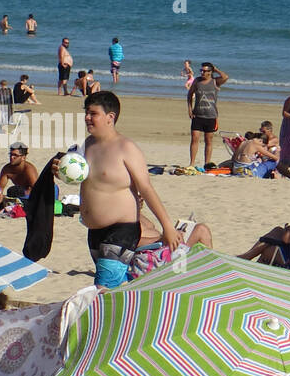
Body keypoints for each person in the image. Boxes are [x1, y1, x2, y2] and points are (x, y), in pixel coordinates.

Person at [79, 90, 179, 287]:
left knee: (102, 288)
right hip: (94, 231)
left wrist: (167, 226)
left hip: (121, 230)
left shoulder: (126, 148)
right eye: (86, 113)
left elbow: (146, 188)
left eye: (93, 113)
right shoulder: (87, 145)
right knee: (115, 287)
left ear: (110, 117)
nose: (87, 118)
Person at [187, 61, 228, 169]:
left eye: (205, 71)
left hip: (211, 116)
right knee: (194, 139)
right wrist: (190, 109)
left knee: (208, 141)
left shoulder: (215, 82)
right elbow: (190, 94)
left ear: (210, 72)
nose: (202, 73)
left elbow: (225, 77)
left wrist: (216, 69)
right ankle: (192, 163)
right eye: (201, 70)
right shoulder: (197, 81)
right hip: (197, 115)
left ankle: (207, 163)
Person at [0, 140, 40, 209]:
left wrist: (20, 194)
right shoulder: (7, 169)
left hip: (29, 197)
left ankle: (9, 204)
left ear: (23, 157)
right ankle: (8, 204)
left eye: (15, 155)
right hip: (15, 197)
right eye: (11, 154)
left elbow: (37, 190)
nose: (12, 157)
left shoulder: (29, 169)